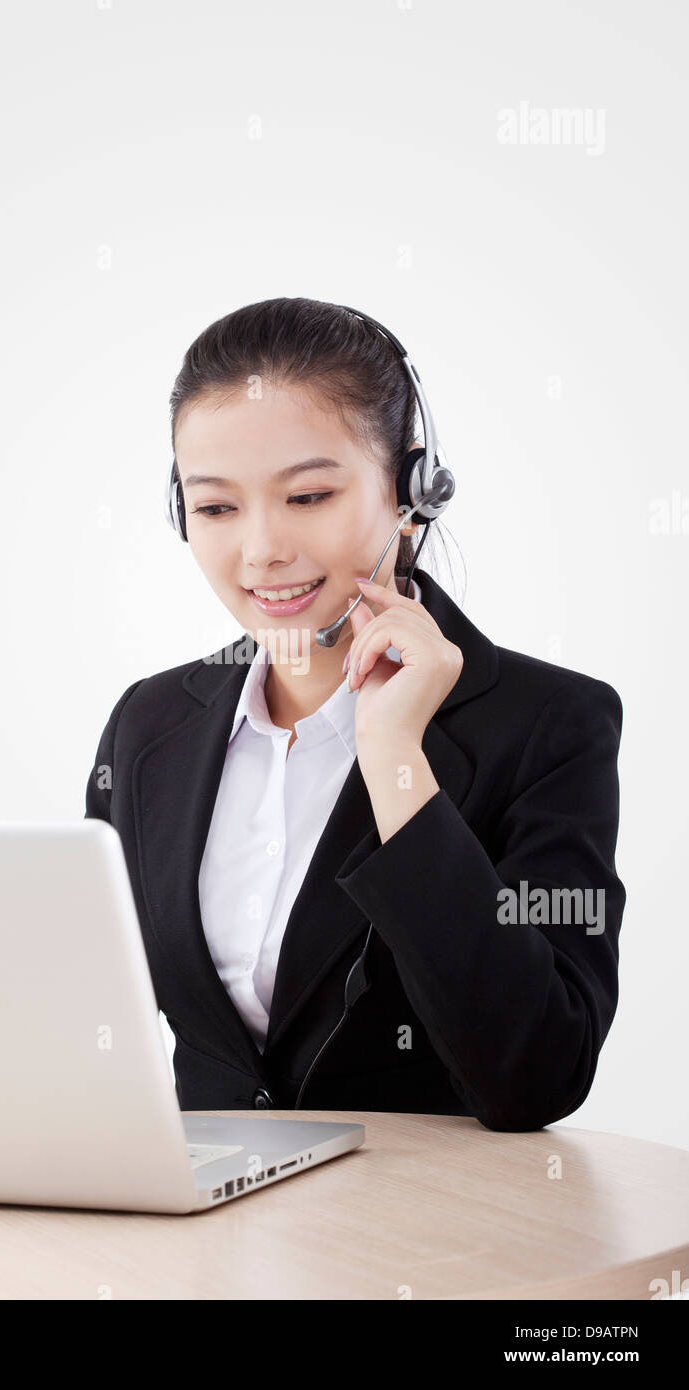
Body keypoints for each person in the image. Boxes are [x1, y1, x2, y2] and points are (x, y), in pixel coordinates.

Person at [85, 297, 625, 1132]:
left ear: (413, 489)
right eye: (217, 507)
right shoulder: (150, 726)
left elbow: (537, 1075)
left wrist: (395, 758)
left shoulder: (547, 725)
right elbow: (94, 1016)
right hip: (199, 1243)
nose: (261, 548)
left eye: (307, 497)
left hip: (433, 1246)